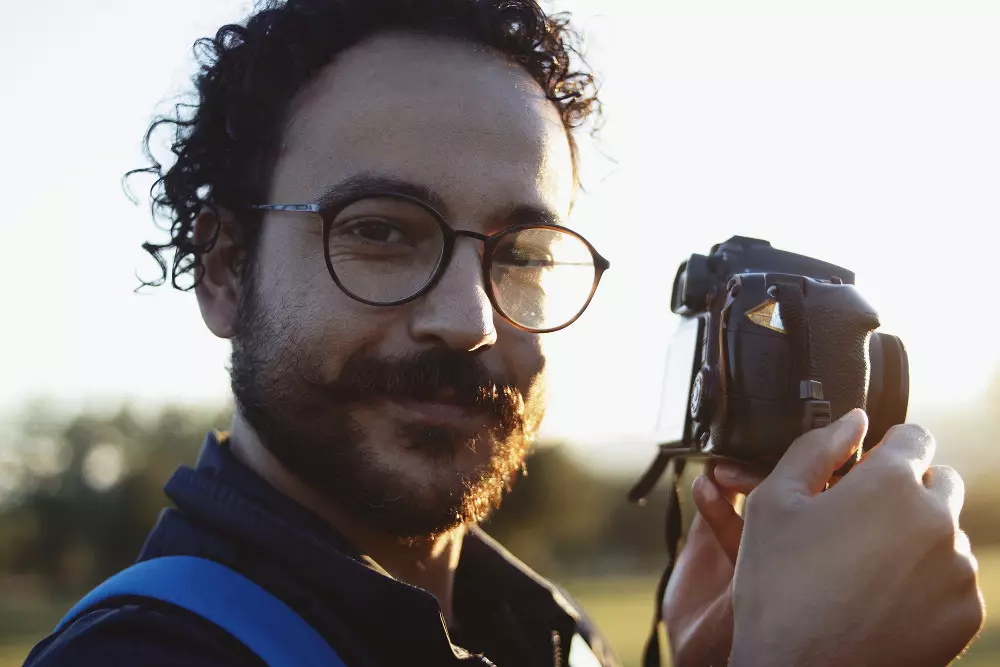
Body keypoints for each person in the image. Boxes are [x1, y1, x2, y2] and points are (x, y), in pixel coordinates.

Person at [24, 0, 984, 665]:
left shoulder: (540, 632)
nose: (468, 318)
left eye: (522, 252)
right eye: (382, 232)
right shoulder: (143, 658)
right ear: (226, 269)